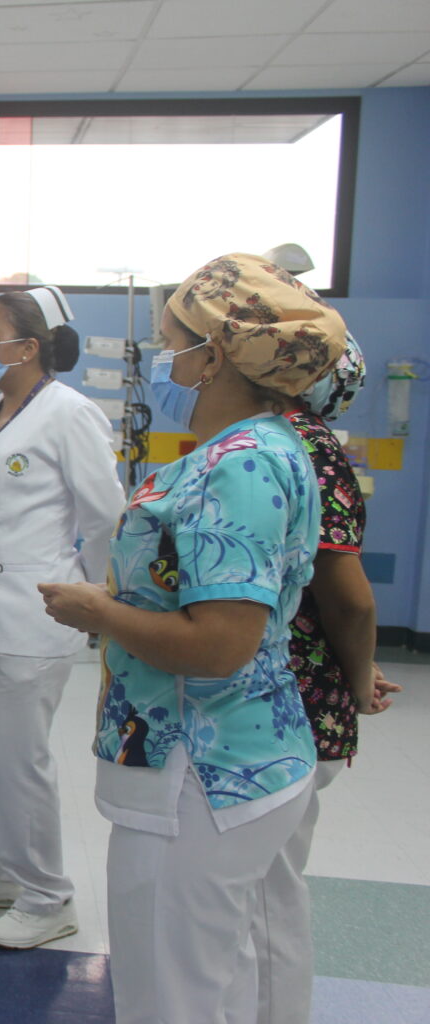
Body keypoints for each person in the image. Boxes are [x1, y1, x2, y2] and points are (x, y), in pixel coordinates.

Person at [39, 252, 345, 1024]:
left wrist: (98, 612)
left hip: (197, 772)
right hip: (248, 757)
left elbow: (219, 644)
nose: (162, 357)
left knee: (166, 994)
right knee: (227, 977)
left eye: (171, 338)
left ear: (213, 354)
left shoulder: (232, 470)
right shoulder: (275, 445)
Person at [0, 286, 123, 949]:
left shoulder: (69, 414)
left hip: (33, 618)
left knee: (21, 761)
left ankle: (47, 896)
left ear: (28, 346)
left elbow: (105, 520)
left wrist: (101, 604)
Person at [252, 335, 400, 1023]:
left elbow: (351, 599)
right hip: (272, 700)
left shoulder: (302, 450)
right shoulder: (269, 441)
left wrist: (359, 676)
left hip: (297, 705)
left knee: (268, 888)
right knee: (249, 887)